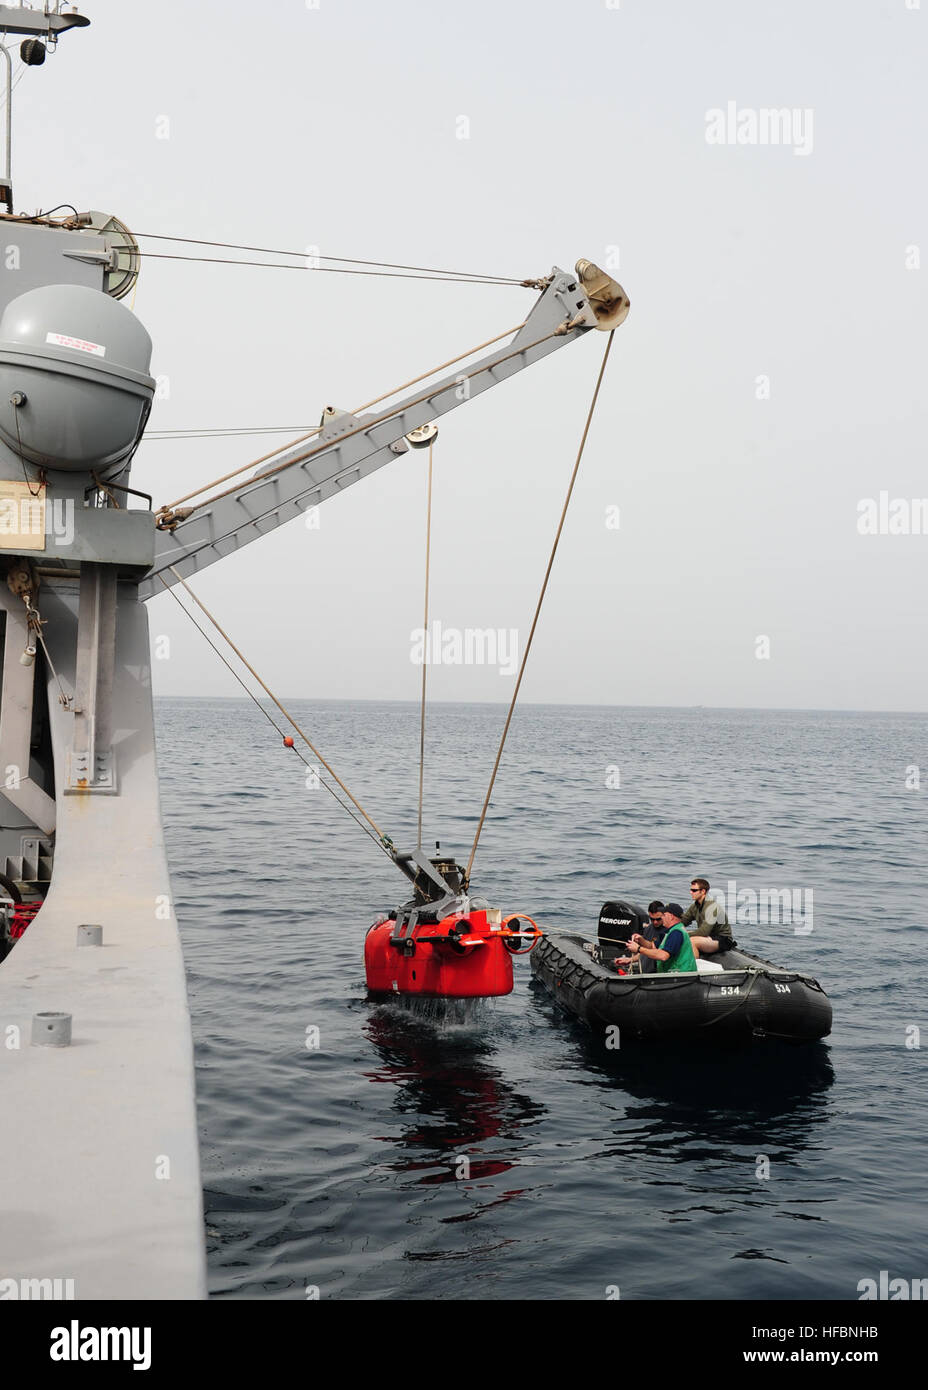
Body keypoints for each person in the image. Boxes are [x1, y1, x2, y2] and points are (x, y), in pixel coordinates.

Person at [624, 903, 697, 974]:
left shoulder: (676, 933)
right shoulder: (670, 931)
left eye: (664, 915)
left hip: (681, 976)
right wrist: (640, 939)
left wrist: (638, 949)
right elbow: (652, 946)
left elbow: (663, 956)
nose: (662, 917)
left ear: (671, 916)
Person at [681, 876, 735, 956]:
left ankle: (693, 967)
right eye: (690, 890)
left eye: (694, 890)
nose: (691, 892)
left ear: (703, 891)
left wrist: (683, 935)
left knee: (691, 941)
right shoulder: (695, 906)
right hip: (709, 936)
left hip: (722, 939)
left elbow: (703, 932)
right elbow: (684, 921)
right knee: (683, 934)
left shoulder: (712, 907)